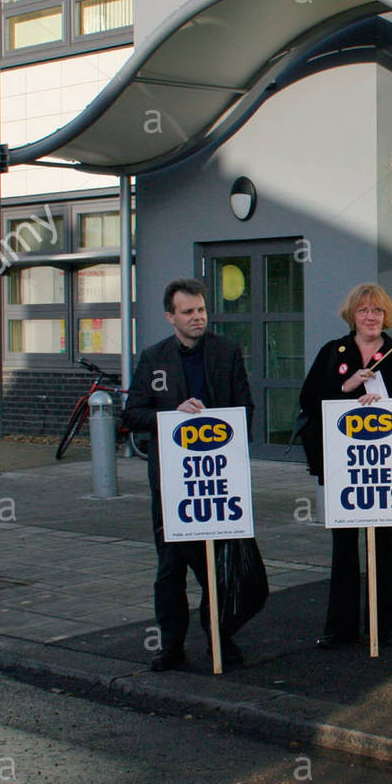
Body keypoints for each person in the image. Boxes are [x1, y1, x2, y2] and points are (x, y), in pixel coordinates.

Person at [122, 277, 254, 672]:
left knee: (216, 566)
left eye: (201, 310)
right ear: (170, 317)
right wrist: (172, 415)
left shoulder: (227, 352)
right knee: (170, 569)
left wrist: (217, 424)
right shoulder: (153, 357)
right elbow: (131, 414)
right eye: (188, 312)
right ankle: (171, 645)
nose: (198, 318)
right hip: (171, 483)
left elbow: (245, 409)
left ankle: (220, 639)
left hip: (216, 478)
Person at [300, 283, 392, 650]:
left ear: (386, 317)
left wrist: (386, 404)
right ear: (353, 315)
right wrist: (346, 386)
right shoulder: (333, 352)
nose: (371, 317)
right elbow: (308, 401)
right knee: (345, 546)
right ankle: (340, 627)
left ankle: (385, 627)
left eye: (378, 311)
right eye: (365, 310)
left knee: (382, 546)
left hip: (384, 468)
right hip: (343, 467)